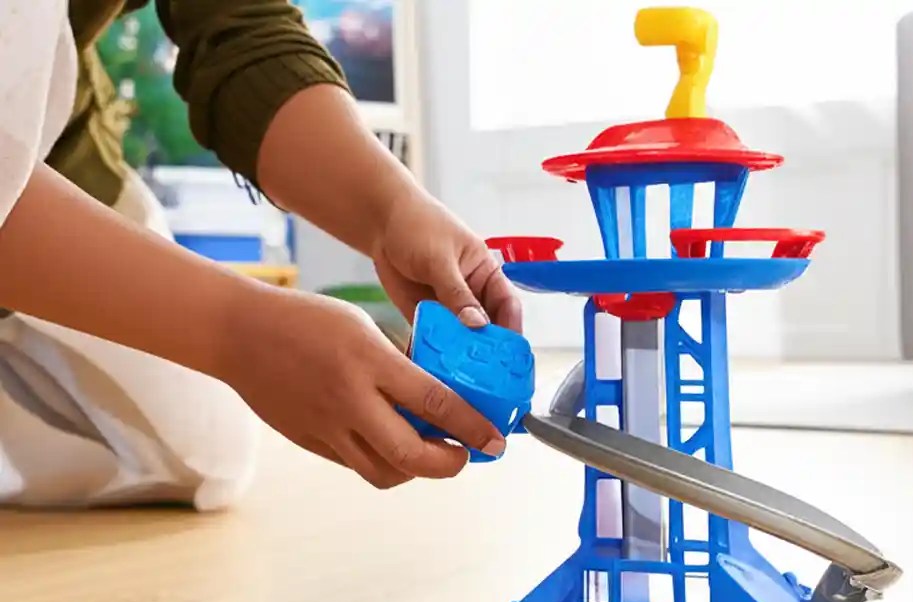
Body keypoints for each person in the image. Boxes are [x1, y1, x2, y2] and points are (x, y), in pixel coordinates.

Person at [0, 1, 522, 510]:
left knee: (201, 453)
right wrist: (237, 331)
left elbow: (243, 25)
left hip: (51, 158)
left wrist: (389, 208)